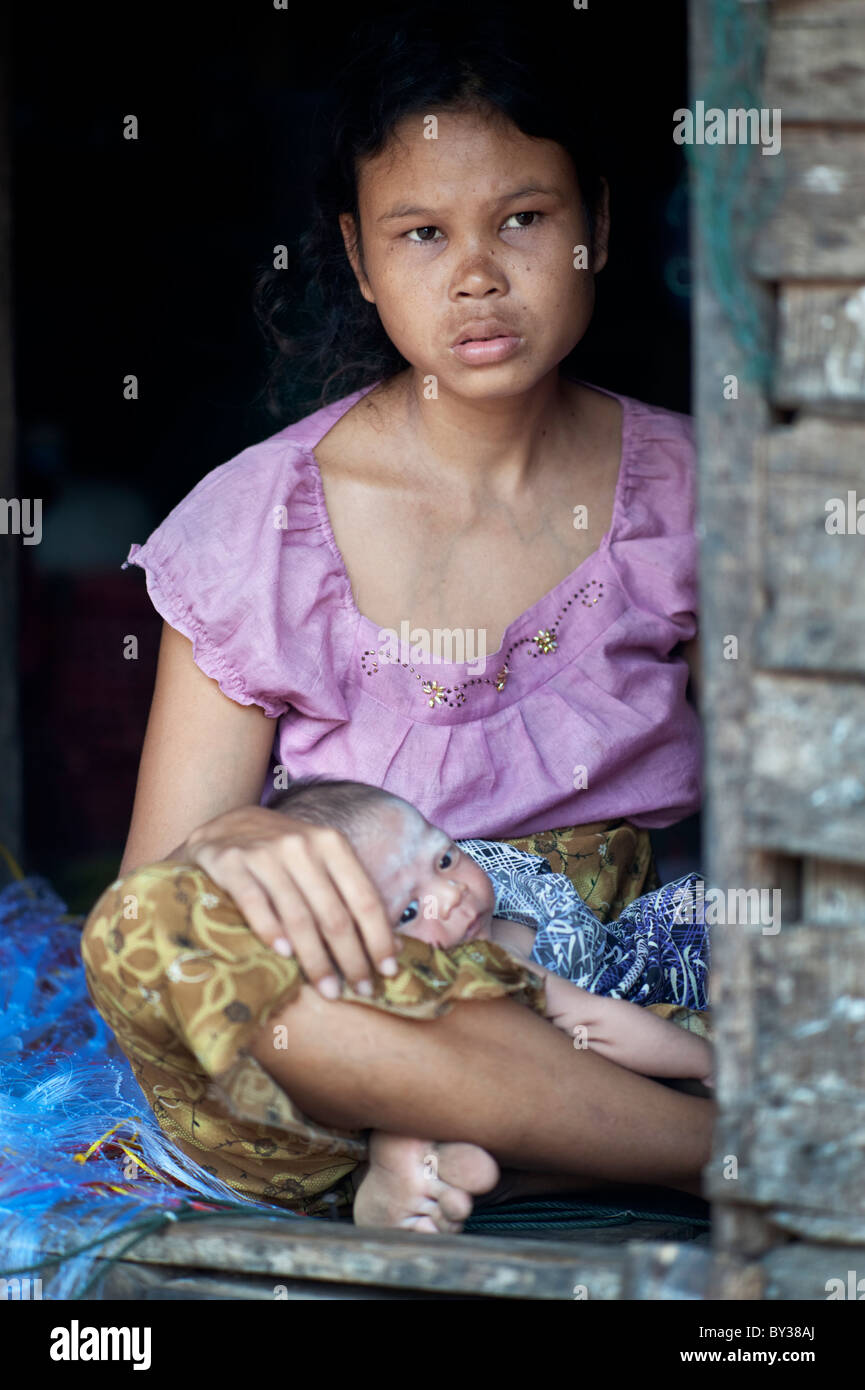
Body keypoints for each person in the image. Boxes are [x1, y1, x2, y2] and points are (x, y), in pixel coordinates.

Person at [81, 9, 713, 1236]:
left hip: (617, 986)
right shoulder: (253, 528)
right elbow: (153, 903)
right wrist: (233, 846)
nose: (476, 274)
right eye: (422, 234)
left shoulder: (703, 493)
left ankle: (516, 1140)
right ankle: (727, 1153)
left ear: (599, 225)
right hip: (360, 1007)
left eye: (523, 219)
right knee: (154, 937)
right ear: (361, 261)